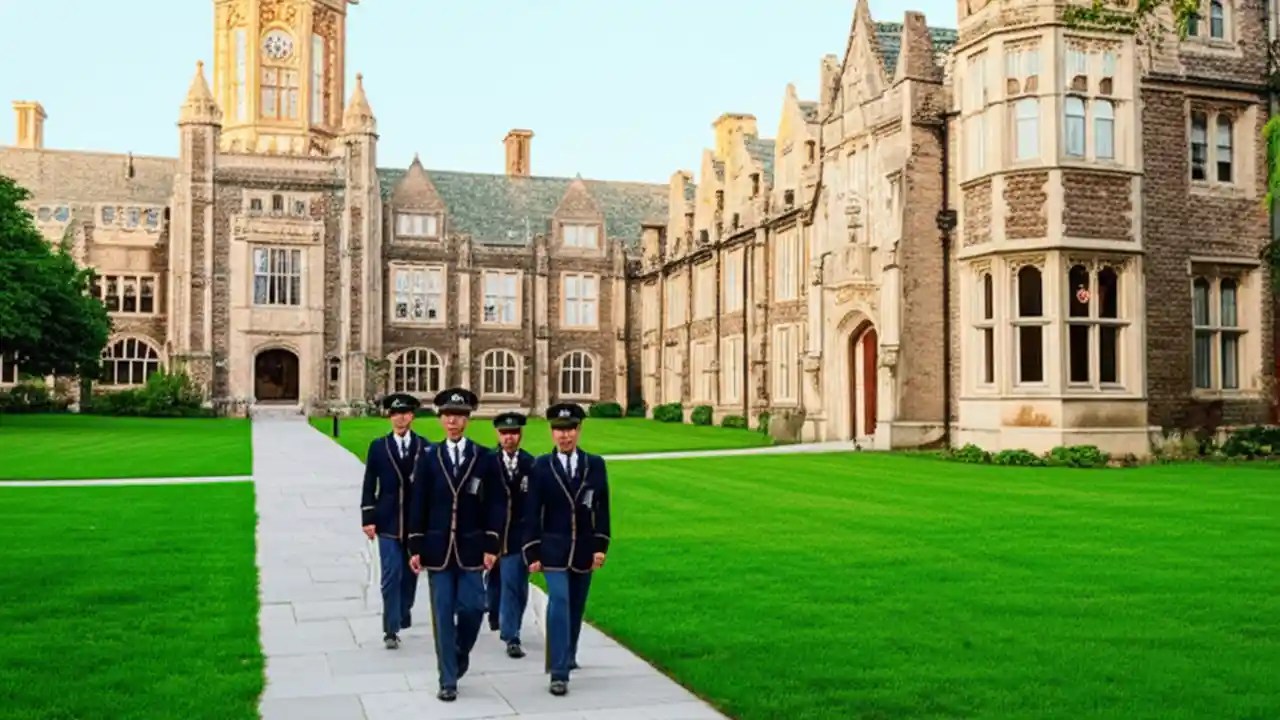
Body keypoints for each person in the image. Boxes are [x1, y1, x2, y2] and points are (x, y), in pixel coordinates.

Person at [406, 387, 500, 702]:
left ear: (468, 419)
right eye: (447, 415)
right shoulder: (428, 457)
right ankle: (447, 679)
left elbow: (495, 506)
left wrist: (492, 544)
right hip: (437, 550)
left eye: (458, 416)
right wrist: (415, 546)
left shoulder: (485, 457)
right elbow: (417, 503)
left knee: (474, 608)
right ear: (440, 419)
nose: (452, 421)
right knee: (442, 613)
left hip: (472, 549)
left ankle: (460, 649)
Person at [522, 402, 611, 696]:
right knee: (558, 603)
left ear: (579, 430)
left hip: (584, 549)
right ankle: (558, 672)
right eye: (559, 430)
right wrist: (532, 552)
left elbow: (602, 508)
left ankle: (569, 653)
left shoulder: (594, 464)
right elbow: (532, 512)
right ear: (551, 432)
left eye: (570, 429)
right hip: (553, 550)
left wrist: (600, 545)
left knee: (575, 607)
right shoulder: (541, 466)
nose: (565, 435)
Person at [360, 392, 427, 650]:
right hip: (387, 519)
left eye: (405, 413)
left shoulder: (424, 446)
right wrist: (368, 516)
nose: (400, 417)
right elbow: (369, 483)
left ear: (411, 416)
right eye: (396, 413)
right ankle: (390, 629)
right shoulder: (379, 446)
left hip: (415, 523)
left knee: (411, 575)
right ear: (390, 417)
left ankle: (403, 610)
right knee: (391, 574)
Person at [486, 411, 536, 658]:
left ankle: (511, 635)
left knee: (515, 584)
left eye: (514, 433)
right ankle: (495, 613)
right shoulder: (487, 463)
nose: (509, 438)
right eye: (505, 433)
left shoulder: (531, 464)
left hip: (518, 536)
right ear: (497, 434)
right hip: (492, 534)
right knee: (495, 583)